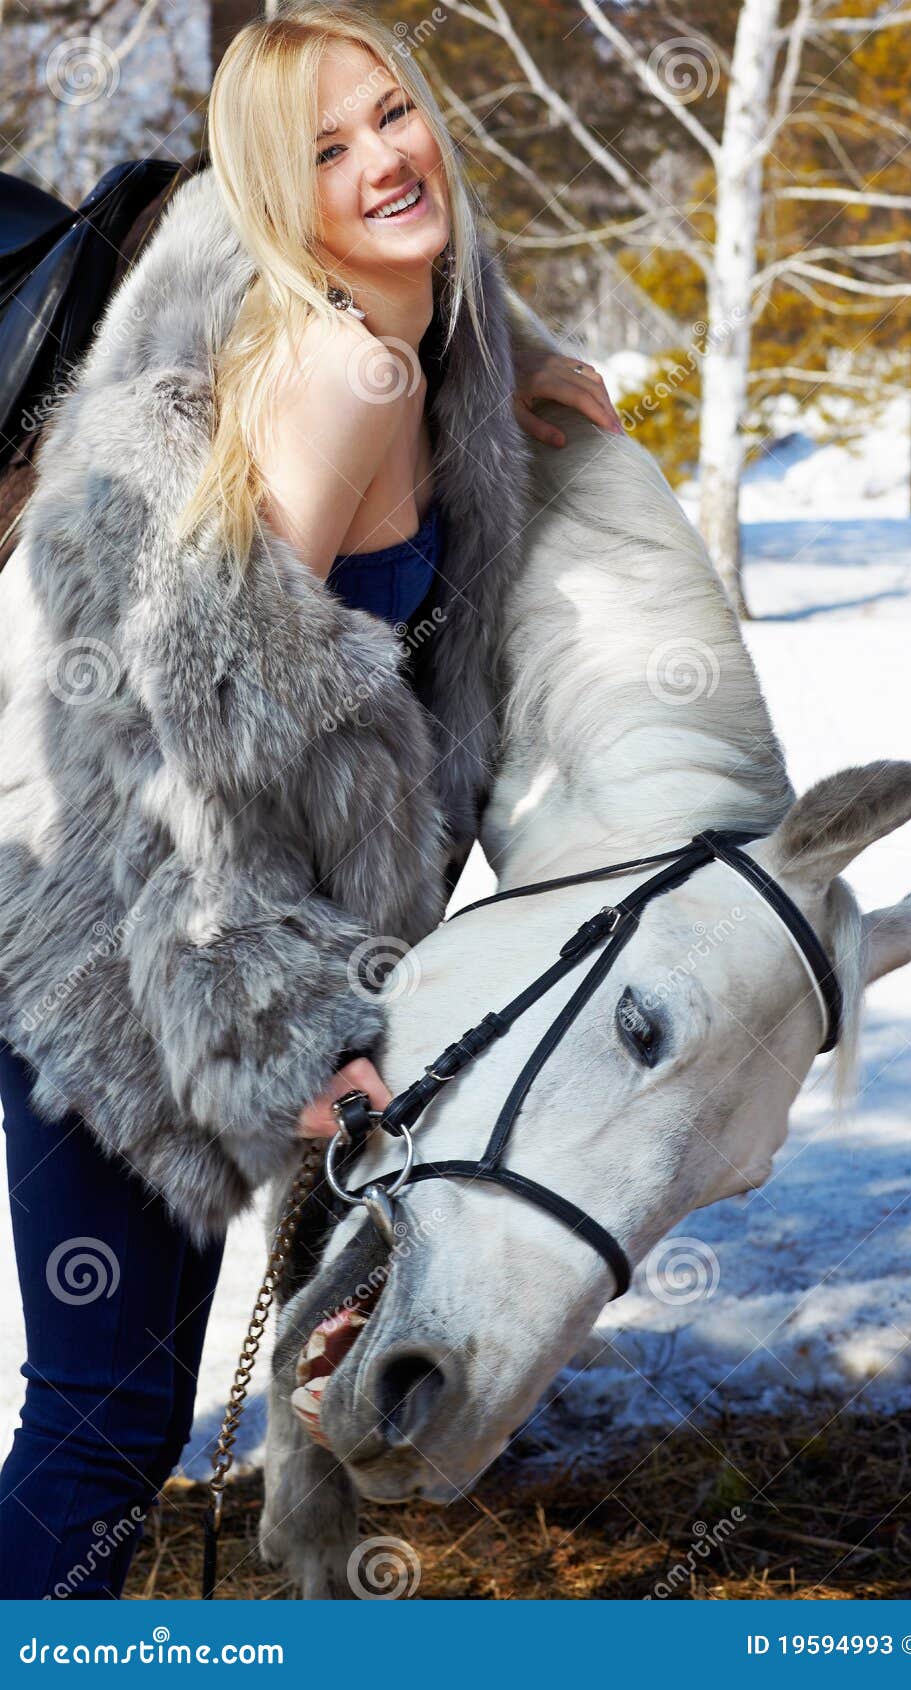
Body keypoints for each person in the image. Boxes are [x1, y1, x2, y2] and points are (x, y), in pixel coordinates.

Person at [0, 0, 621, 1599]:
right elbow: (174, 734)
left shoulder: (418, 331)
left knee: (115, 1410)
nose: (383, 161)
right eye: (327, 151)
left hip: (153, 915)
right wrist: (275, 1032)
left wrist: (532, 360)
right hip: (110, 935)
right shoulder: (342, 372)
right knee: (102, 1418)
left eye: (394, 114)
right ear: (277, 201)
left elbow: (442, 257)